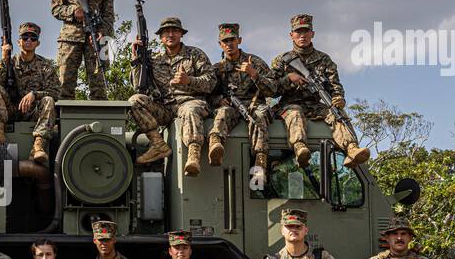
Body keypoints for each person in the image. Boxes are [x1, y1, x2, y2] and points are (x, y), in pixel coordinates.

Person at [268, 14, 369, 168]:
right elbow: (270, 89)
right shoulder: (282, 60)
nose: (302, 36)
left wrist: (339, 98)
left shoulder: (324, 60)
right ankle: (300, 147)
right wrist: (289, 79)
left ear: (312, 34)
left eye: (306, 31)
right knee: (295, 113)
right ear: (291, 35)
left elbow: (335, 85)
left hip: (315, 105)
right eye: (298, 32)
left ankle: (351, 148)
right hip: (289, 105)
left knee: (337, 113)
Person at [129, 16, 216, 175]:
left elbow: (211, 82)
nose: (170, 34)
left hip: (191, 102)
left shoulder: (195, 54)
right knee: (134, 101)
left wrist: (189, 80)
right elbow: (138, 87)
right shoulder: (154, 60)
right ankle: (158, 145)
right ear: (161, 37)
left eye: (175, 31)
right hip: (166, 109)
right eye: (166, 32)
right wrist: (136, 60)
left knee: (190, 109)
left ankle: (193, 156)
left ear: (181, 34)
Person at [207, 23, 276, 171]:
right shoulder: (217, 68)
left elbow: (273, 89)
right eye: (225, 41)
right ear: (220, 44)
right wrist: (218, 100)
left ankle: (260, 158)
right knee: (222, 113)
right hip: (230, 107)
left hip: (254, 104)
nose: (229, 44)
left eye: (232, 39)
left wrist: (254, 74)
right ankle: (215, 145)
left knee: (259, 115)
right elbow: (207, 94)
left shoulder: (255, 62)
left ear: (239, 40)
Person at [0, 21, 59, 163]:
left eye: (33, 38)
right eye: (25, 37)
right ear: (18, 42)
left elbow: (56, 92)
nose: (28, 41)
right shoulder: (10, 62)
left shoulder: (45, 66)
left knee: (49, 100)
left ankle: (38, 147)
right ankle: (0, 132)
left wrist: (34, 94)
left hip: (33, 113)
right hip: (11, 110)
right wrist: (4, 59)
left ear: (37, 43)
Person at [49, 0, 114, 99]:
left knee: (99, 82)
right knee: (65, 81)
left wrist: (102, 33)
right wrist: (73, 11)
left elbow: (109, 16)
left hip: (95, 39)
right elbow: (55, 9)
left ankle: (99, 116)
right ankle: (64, 119)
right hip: (71, 38)